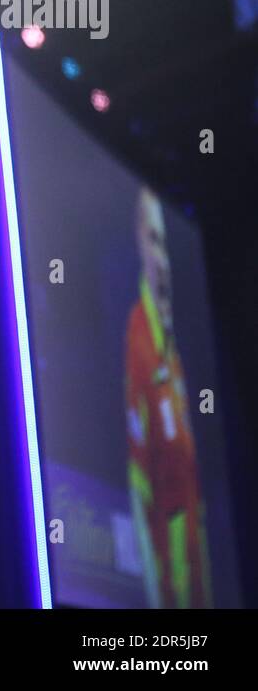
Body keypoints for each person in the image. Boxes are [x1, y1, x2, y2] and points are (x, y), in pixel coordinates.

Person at [124, 187, 211, 607]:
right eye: (154, 242)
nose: (164, 262)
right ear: (139, 244)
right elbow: (139, 489)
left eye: (166, 246)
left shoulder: (171, 349)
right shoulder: (138, 342)